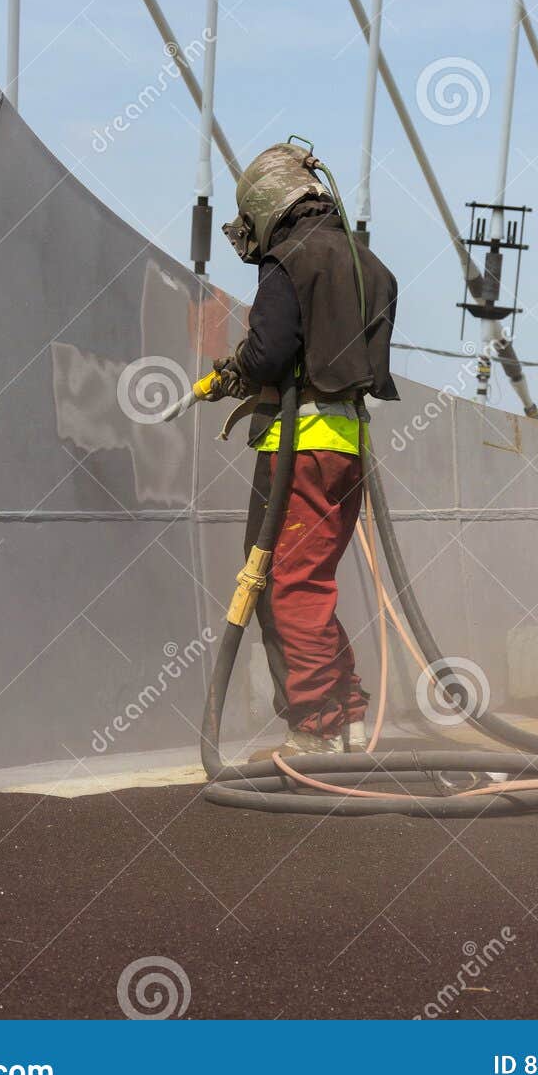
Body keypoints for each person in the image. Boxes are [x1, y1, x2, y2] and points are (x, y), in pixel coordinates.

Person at [213, 141, 398, 756]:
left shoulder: (289, 259)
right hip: (347, 446)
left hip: (301, 447)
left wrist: (237, 370)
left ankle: (315, 730)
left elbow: (269, 353)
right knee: (309, 580)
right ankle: (342, 717)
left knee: (286, 584)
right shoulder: (363, 261)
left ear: (266, 206)